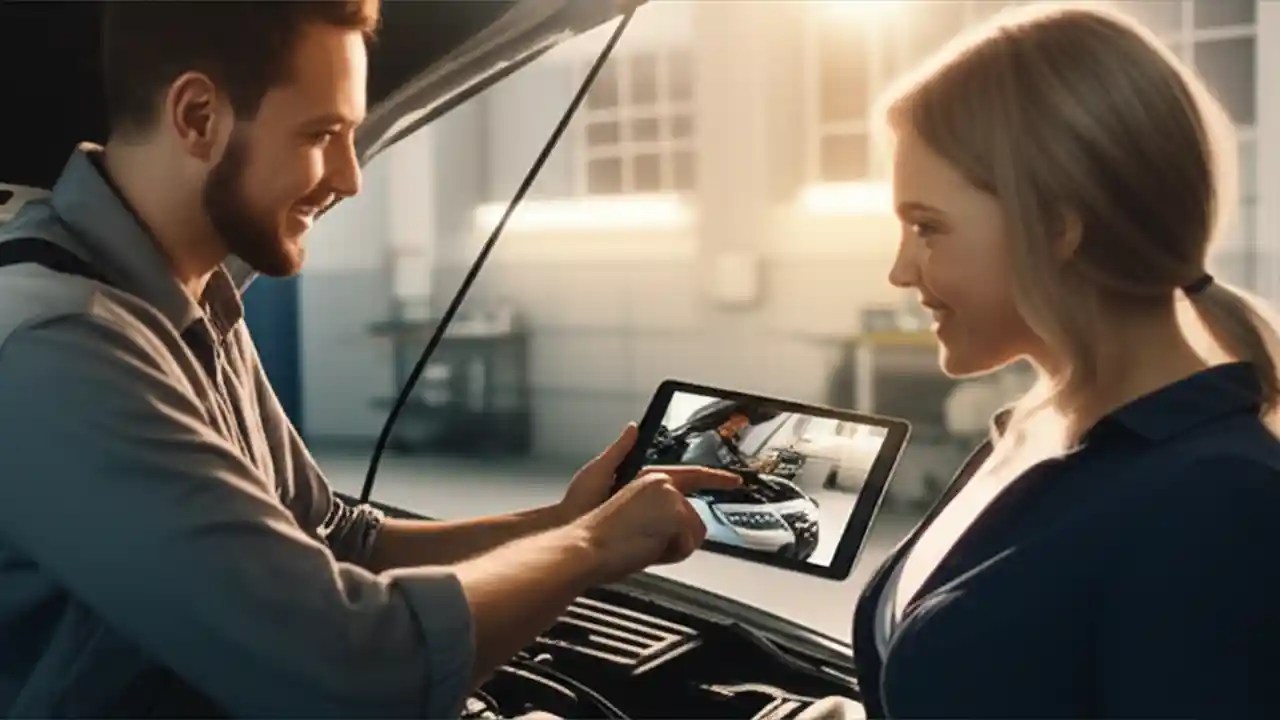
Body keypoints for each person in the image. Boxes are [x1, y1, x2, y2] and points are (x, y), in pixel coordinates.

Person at [0, 1, 739, 717]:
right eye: (323, 134)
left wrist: (558, 520)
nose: (350, 178)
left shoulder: (193, 297)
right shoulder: (59, 348)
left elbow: (341, 542)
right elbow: (349, 676)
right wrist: (589, 547)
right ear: (198, 117)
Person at [847, 4, 1280, 718]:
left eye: (927, 227)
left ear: (1057, 226)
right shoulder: (1030, 430)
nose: (900, 270)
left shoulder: (1225, 507)